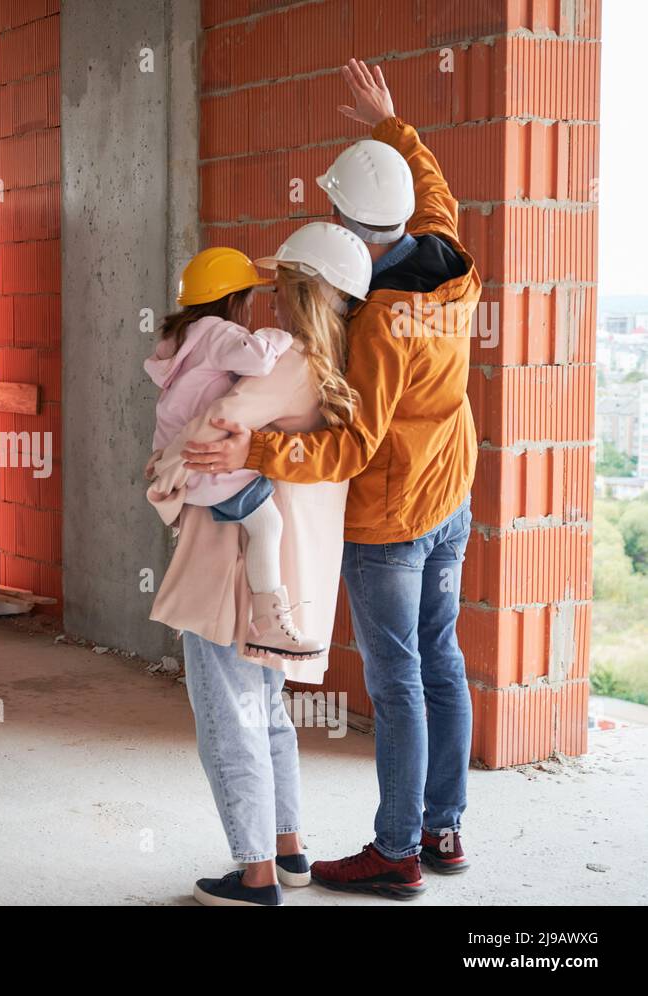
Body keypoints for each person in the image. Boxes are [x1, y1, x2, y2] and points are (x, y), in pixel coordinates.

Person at [185, 60, 481, 898]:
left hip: (395, 522)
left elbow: (349, 450)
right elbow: (431, 189)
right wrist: (393, 126)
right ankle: (443, 827)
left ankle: (397, 853)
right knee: (442, 659)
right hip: (452, 495)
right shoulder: (449, 257)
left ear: (353, 230)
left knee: (399, 684)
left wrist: (259, 452)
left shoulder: (382, 324)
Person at [147, 222, 372, 906]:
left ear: (301, 291)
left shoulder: (280, 365)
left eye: (280, 286)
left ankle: (254, 875)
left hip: (230, 578)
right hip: (288, 574)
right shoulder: (336, 368)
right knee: (267, 708)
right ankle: (287, 850)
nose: (267, 299)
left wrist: (160, 478)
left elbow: (208, 436)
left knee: (227, 715)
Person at [145, 246, 322, 660]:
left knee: (254, 529)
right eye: (251, 300)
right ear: (234, 301)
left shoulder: (180, 338)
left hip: (187, 471)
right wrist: (278, 338)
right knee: (267, 526)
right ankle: (270, 623)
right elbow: (258, 361)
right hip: (212, 466)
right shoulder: (219, 333)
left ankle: (264, 620)